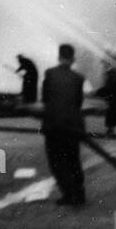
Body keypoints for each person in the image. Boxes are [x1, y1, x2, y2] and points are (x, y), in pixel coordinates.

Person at [42, 43, 86, 207]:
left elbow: (46, 99)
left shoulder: (49, 74)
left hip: (54, 124)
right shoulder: (79, 78)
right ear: (73, 59)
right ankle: (79, 194)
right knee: (73, 160)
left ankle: (68, 194)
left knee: (56, 161)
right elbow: (78, 102)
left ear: (58, 57)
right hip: (73, 124)